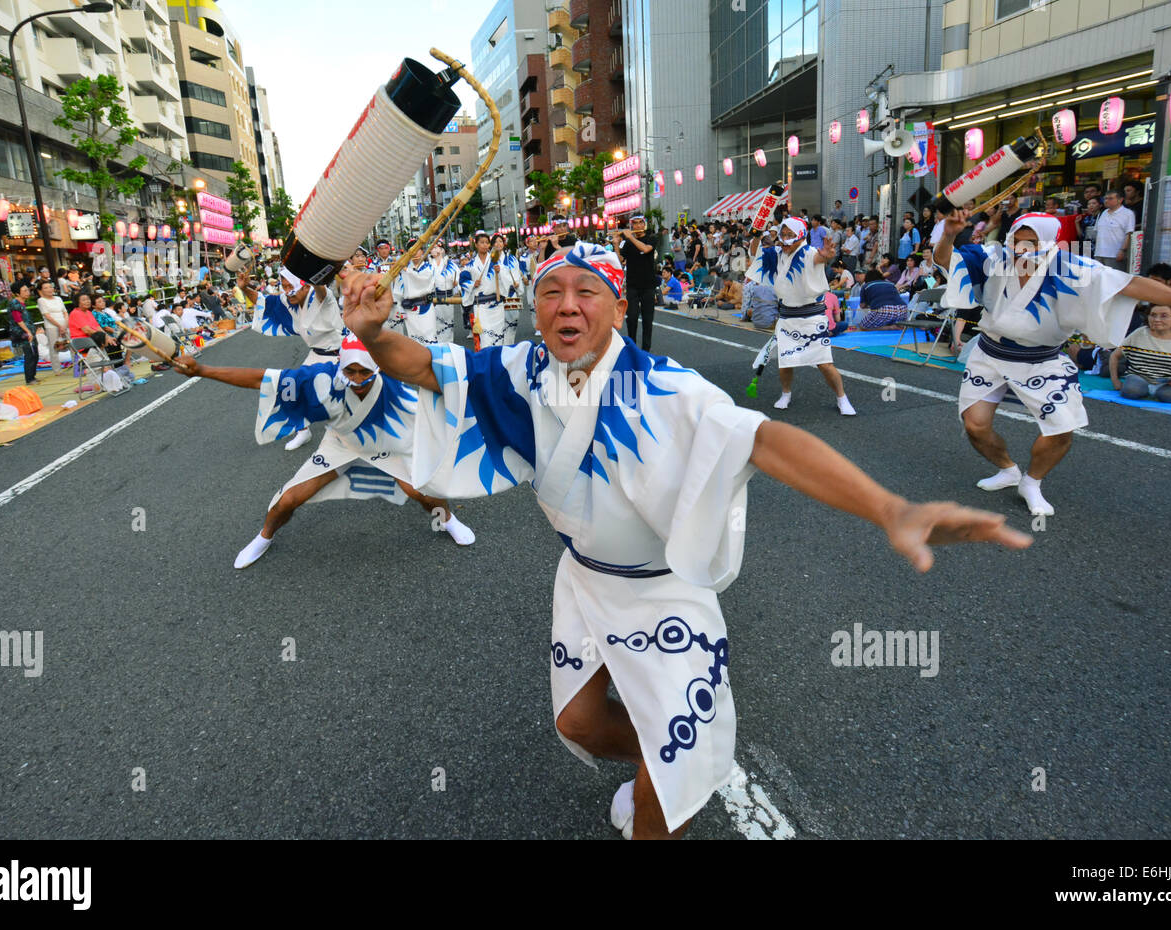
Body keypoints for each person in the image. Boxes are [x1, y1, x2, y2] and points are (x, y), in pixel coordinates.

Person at [339, 240, 1031, 840]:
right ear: (534, 307)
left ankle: (671, 768)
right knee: (577, 725)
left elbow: (767, 442)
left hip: (662, 593)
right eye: (551, 291)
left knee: (659, 809)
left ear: (616, 304)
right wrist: (373, 333)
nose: (567, 305)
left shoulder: (669, 390)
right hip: (583, 580)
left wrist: (889, 508)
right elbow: (424, 366)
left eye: (588, 291)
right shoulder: (521, 372)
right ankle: (665, 749)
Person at [934, 209, 1171, 516]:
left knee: (1061, 430)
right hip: (990, 355)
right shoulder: (994, 259)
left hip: (1042, 360)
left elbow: (1130, 284)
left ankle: (1032, 482)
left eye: (1031, 242)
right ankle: (1009, 470)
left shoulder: (1072, 267)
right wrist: (948, 235)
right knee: (975, 426)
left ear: (1050, 243)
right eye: (1017, 240)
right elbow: (947, 260)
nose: (1021, 250)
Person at [172, 333, 475, 568]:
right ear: (340, 365)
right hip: (340, 443)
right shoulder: (320, 378)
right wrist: (202, 370)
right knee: (287, 500)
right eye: (350, 371)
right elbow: (259, 378)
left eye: (364, 371)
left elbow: (445, 389)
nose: (357, 379)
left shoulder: (397, 381)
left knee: (421, 491)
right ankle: (264, 537)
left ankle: (448, 520)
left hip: (387, 442)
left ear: (377, 366)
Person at [759, 217, 856, 415]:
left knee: (824, 363)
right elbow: (756, 253)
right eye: (783, 235)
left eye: (790, 235)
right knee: (785, 361)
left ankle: (842, 397)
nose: (785, 239)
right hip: (787, 317)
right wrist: (756, 238)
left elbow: (820, 258)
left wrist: (828, 255)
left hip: (812, 317)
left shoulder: (809, 252)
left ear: (801, 236)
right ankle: (786, 393)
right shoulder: (778, 253)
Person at [245, 264, 345, 450]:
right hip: (316, 355)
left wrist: (312, 267)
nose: (288, 291)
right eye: (284, 286)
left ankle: (346, 435)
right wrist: (244, 288)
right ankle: (303, 431)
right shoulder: (288, 301)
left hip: (339, 356)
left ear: (305, 286)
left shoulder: (323, 297)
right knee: (291, 388)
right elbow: (264, 302)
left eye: (291, 286)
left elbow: (320, 288)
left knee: (337, 398)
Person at [615, 215, 657, 352]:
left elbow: (645, 249)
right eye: (635, 223)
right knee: (631, 318)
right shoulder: (627, 243)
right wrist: (616, 244)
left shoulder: (651, 237)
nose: (638, 226)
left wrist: (630, 238)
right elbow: (620, 260)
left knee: (647, 319)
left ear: (644, 224)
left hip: (649, 285)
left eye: (640, 223)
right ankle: (632, 348)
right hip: (632, 285)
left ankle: (646, 351)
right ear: (632, 225)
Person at [1094, 189, 1136, 271]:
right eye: (1105, 198)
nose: (1106, 201)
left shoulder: (1128, 213)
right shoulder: (1103, 213)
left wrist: (1122, 250)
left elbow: (1129, 234)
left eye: (1110, 198)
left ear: (1120, 200)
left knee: (1115, 280)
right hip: (1099, 253)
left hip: (1114, 254)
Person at [36, 281, 71, 375]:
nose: (49, 289)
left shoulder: (58, 298)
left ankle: (76, 366)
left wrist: (64, 325)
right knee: (54, 347)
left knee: (71, 345)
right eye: (46, 288)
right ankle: (57, 370)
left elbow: (65, 312)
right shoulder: (41, 300)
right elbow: (47, 315)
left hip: (64, 324)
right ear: (41, 290)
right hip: (51, 326)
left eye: (50, 287)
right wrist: (59, 326)